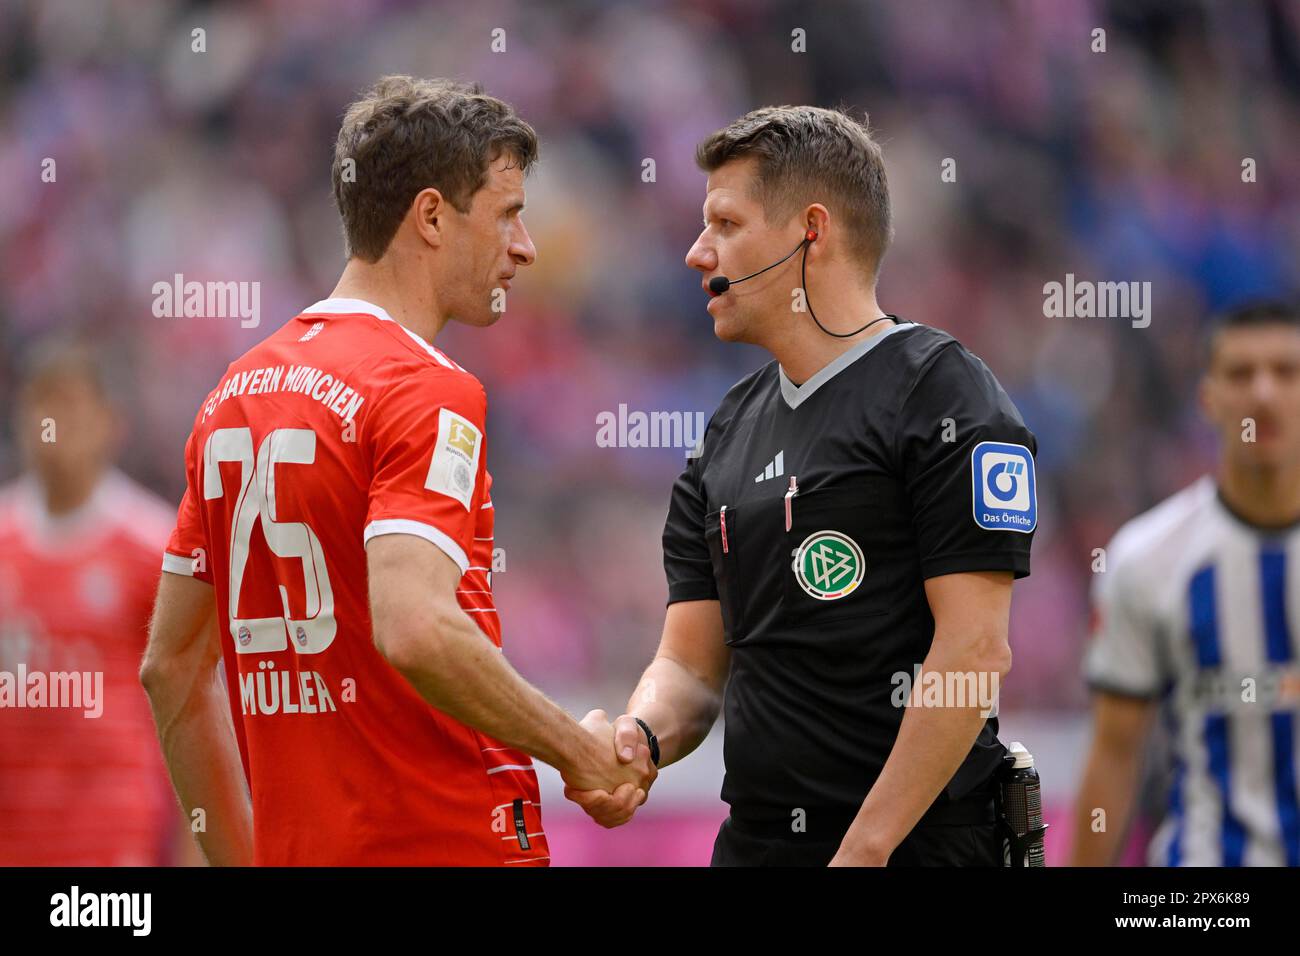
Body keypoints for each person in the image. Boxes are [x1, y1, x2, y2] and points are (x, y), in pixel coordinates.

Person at [140, 75, 654, 867]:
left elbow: (170, 667)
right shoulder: (425, 387)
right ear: (432, 216)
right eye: (509, 214)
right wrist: (576, 753)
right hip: (446, 841)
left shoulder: (233, 395)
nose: (526, 247)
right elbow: (416, 627)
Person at [567, 105, 1038, 866]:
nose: (696, 252)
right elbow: (689, 666)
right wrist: (642, 736)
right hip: (756, 844)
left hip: (912, 848)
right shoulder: (725, 431)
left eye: (725, 222)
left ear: (809, 231)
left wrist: (865, 849)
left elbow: (975, 651)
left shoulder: (942, 396)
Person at [1073, 301, 1300, 867]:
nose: (1264, 394)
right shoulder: (1146, 558)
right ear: (1209, 398)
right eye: (1241, 373)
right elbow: (1115, 755)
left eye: (1286, 372)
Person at [0, 342, 200, 865]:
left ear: (110, 423)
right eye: (40, 404)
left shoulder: (152, 547)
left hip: (113, 840)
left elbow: (191, 704)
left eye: (70, 405)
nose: (53, 424)